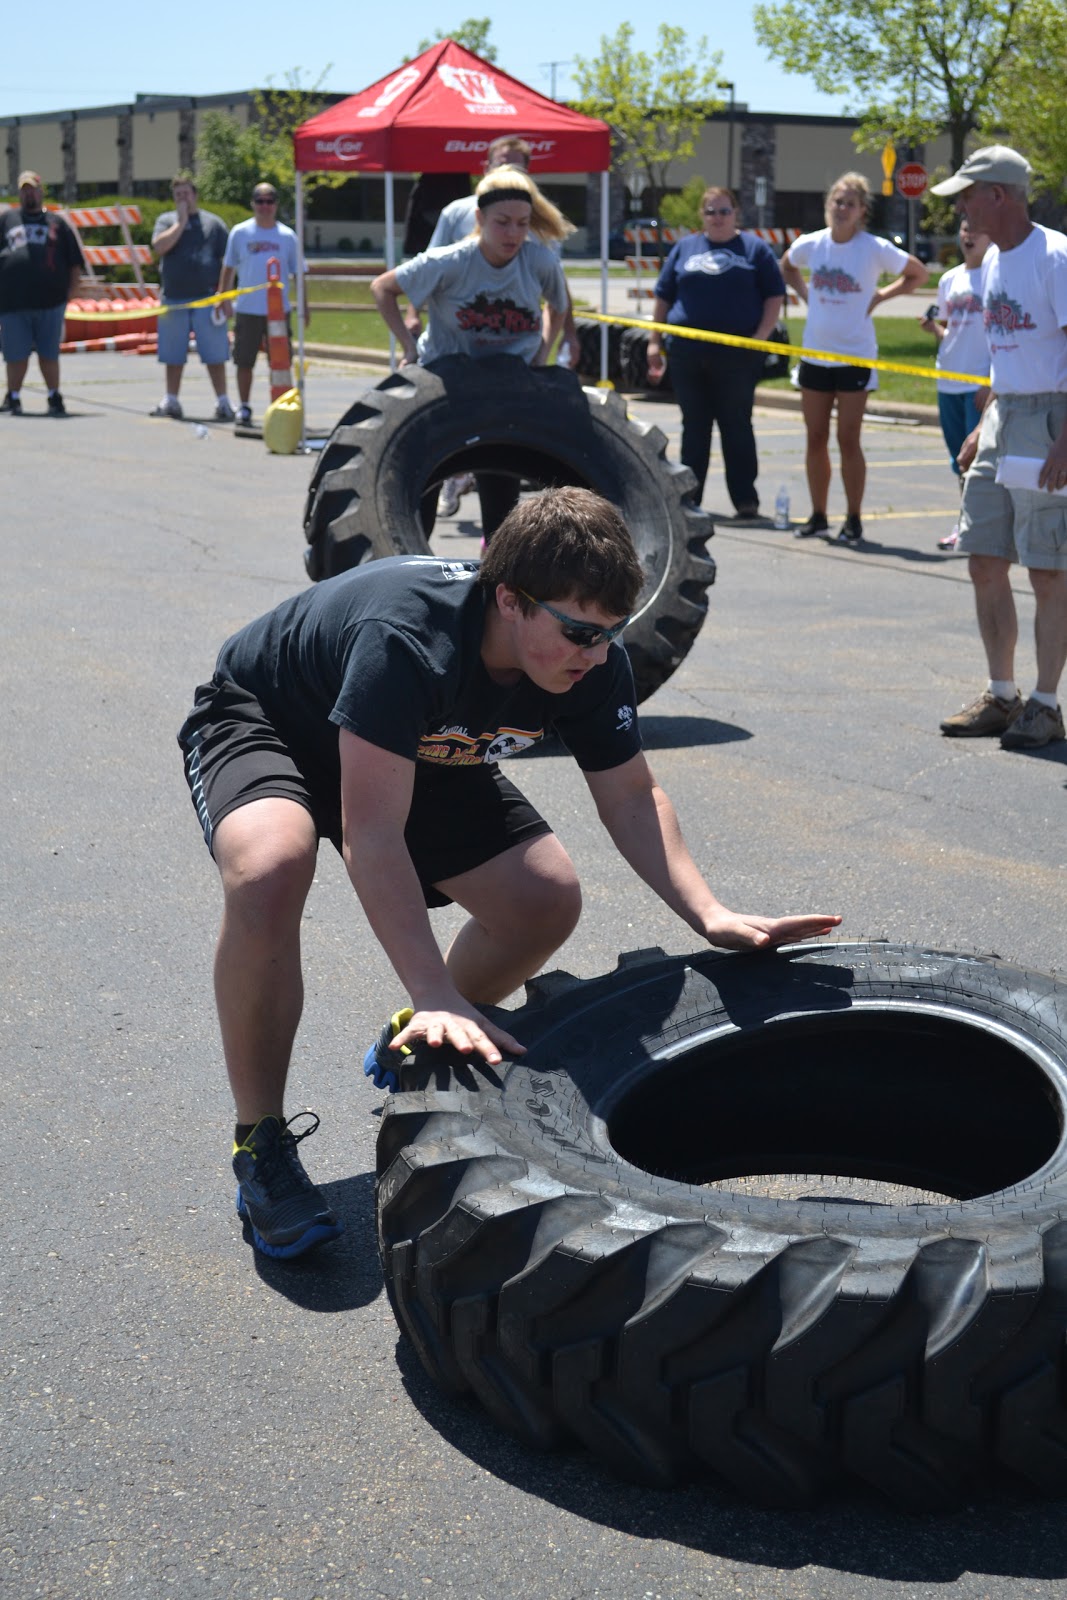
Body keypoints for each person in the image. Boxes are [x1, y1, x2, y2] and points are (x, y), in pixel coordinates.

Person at [177, 485, 841, 1260]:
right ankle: (260, 1143)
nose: (593, 655)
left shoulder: (592, 661)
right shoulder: (408, 638)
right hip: (273, 719)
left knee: (542, 899)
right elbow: (373, 830)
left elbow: (629, 794)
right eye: (576, 633)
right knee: (270, 867)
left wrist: (709, 914)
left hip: (417, 743)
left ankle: (427, 1036)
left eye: (608, 633)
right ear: (509, 601)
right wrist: (427, 982)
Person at [933, 145, 1067, 751]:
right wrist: (981, 423)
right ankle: (1003, 694)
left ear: (1000, 195)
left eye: (968, 192)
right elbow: (1002, 352)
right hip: (1003, 414)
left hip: (1052, 418)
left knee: (1048, 569)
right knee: (984, 558)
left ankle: (1045, 703)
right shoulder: (988, 264)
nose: (961, 204)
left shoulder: (1056, 256)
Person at [372, 167, 573, 542]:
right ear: (479, 219)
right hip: (446, 385)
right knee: (424, 493)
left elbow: (559, 305)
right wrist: (409, 346)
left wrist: (543, 350)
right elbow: (382, 288)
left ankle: (496, 583)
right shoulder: (449, 261)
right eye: (502, 223)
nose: (513, 233)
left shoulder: (539, 261)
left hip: (506, 386)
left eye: (522, 223)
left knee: (500, 494)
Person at [413, 136, 579, 519]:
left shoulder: (535, 226)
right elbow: (426, 270)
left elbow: (557, 290)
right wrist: (412, 317)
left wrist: (553, 343)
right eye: (502, 223)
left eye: (519, 167)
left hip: (507, 358)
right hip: (453, 359)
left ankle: (498, 561)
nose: (512, 231)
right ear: (486, 167)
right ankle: (423, 537)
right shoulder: (458, 215)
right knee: (429, 457)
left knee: (499, 463)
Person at [781, 172, 926, 543]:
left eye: (850, 203)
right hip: (815, 356)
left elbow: (917, 273)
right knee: (815, 437)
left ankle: (854, 517)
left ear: (862, 210)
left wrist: (880, 296)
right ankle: (817, 515)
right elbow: (787, 264)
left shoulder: (873, 248)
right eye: (837, 201)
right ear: (828, 205)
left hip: (855, 357)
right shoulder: (814, 245)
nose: (842, 209)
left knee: (848, 439)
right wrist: (804, 292)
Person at [645, 187, 785, 518]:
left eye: (724, 211)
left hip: (737, 354)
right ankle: (690, 500)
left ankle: (745, 500)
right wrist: (655, 341)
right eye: (711, 211)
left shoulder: (755, 250)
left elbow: (774, 296)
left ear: (736, 213)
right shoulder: (685, 248)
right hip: (686, 353)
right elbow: (664, 297)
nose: (717, 218)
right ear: (701, 216)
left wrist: (761, 337)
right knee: (694, 426)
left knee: (736, 425)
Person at [919, 221, 991, 550]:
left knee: (976, 460)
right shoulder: (950, 278)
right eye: (964, 230)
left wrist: (990, 383)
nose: (968, 235)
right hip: (948, 379)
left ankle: (976, 528)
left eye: (974, 230)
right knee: (957, 460)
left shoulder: (995, 275)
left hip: (978, 383)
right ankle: (966, 524)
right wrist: (933, 329)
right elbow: (951, 331)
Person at [217, 183, 304, 428]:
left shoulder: (287, 236)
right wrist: (223, 298)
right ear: (253, 203)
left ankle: (281, 406)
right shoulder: (240, 232)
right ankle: (244, 407)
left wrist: (303, 306)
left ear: (276, 204)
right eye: (260, 201)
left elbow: (299, 273)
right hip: (247, 309)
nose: (265, 206)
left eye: (269, 201)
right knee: (244, 360)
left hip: (279, 312)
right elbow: (229, 267)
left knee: (281, 362)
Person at [149, 172, 233, 421]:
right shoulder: (166, 221)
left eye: (186, 193)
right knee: (173, 354)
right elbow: (159, 247)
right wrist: (181, 223)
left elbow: (228, 261)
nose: (182, 198)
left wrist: (224, 295)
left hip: (207, 299)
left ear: (195, 195)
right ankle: (171, 400)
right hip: (174, 299)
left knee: (215, 354)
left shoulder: (213, 224)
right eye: (177, 195)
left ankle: (223, 402)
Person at [0, 171, 84, 417]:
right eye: (24, 189)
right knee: (15, 354)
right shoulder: (7, 220)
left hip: (51, 302)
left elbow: (74, 263)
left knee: (49, 353)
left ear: (40, 192)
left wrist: (71, 292)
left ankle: (53, 396)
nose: (28, 193)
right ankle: (13, 396)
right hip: (12, 303)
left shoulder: (57, 224)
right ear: (20, 193)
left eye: (32, 189)